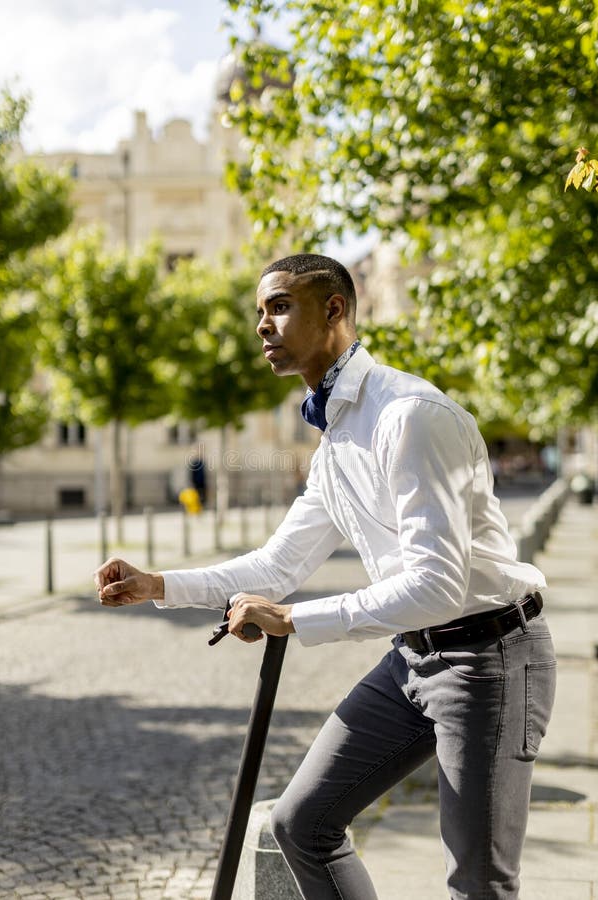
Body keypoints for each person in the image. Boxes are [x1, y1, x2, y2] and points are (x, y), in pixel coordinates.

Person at [94, 254, 556, 900]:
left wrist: (294, 619)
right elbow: (277, 564)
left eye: (279, 306)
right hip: (415, 659)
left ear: (334, 309)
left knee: (478, 881)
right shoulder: (336, 440)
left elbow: (437, 585)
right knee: (302, 823)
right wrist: (157, 584)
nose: (263, 325)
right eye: (259, 311)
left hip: (490, 657)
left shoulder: (410, 417)